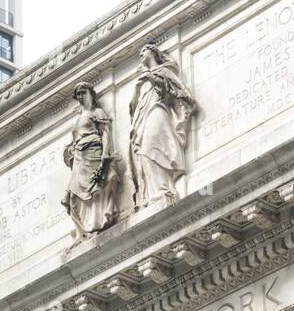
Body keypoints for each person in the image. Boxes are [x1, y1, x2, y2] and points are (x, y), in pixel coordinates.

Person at [128, 41, 197, 209]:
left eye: (143, 50)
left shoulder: (164, 71)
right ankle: (157, 192)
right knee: (144, 153)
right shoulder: (142, 81)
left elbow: (175, 91)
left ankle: (165, 188)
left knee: (152, 146)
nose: (140, 54)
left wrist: (150, 76)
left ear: (153, 53)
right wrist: (137, 87)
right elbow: (133, 107)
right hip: (143, 117)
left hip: (158, 110)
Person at [62, 82, 122, 240]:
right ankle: (82, 228)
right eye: (78, 94)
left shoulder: (98, 112)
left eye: (83, 92)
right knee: (73, 195)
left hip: (94, 153)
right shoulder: (79, 118)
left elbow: (106, 134)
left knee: (97, 186)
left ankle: (98, 220)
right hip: (80, 159)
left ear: (91, 94)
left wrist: (105, 157)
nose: (81, 97)